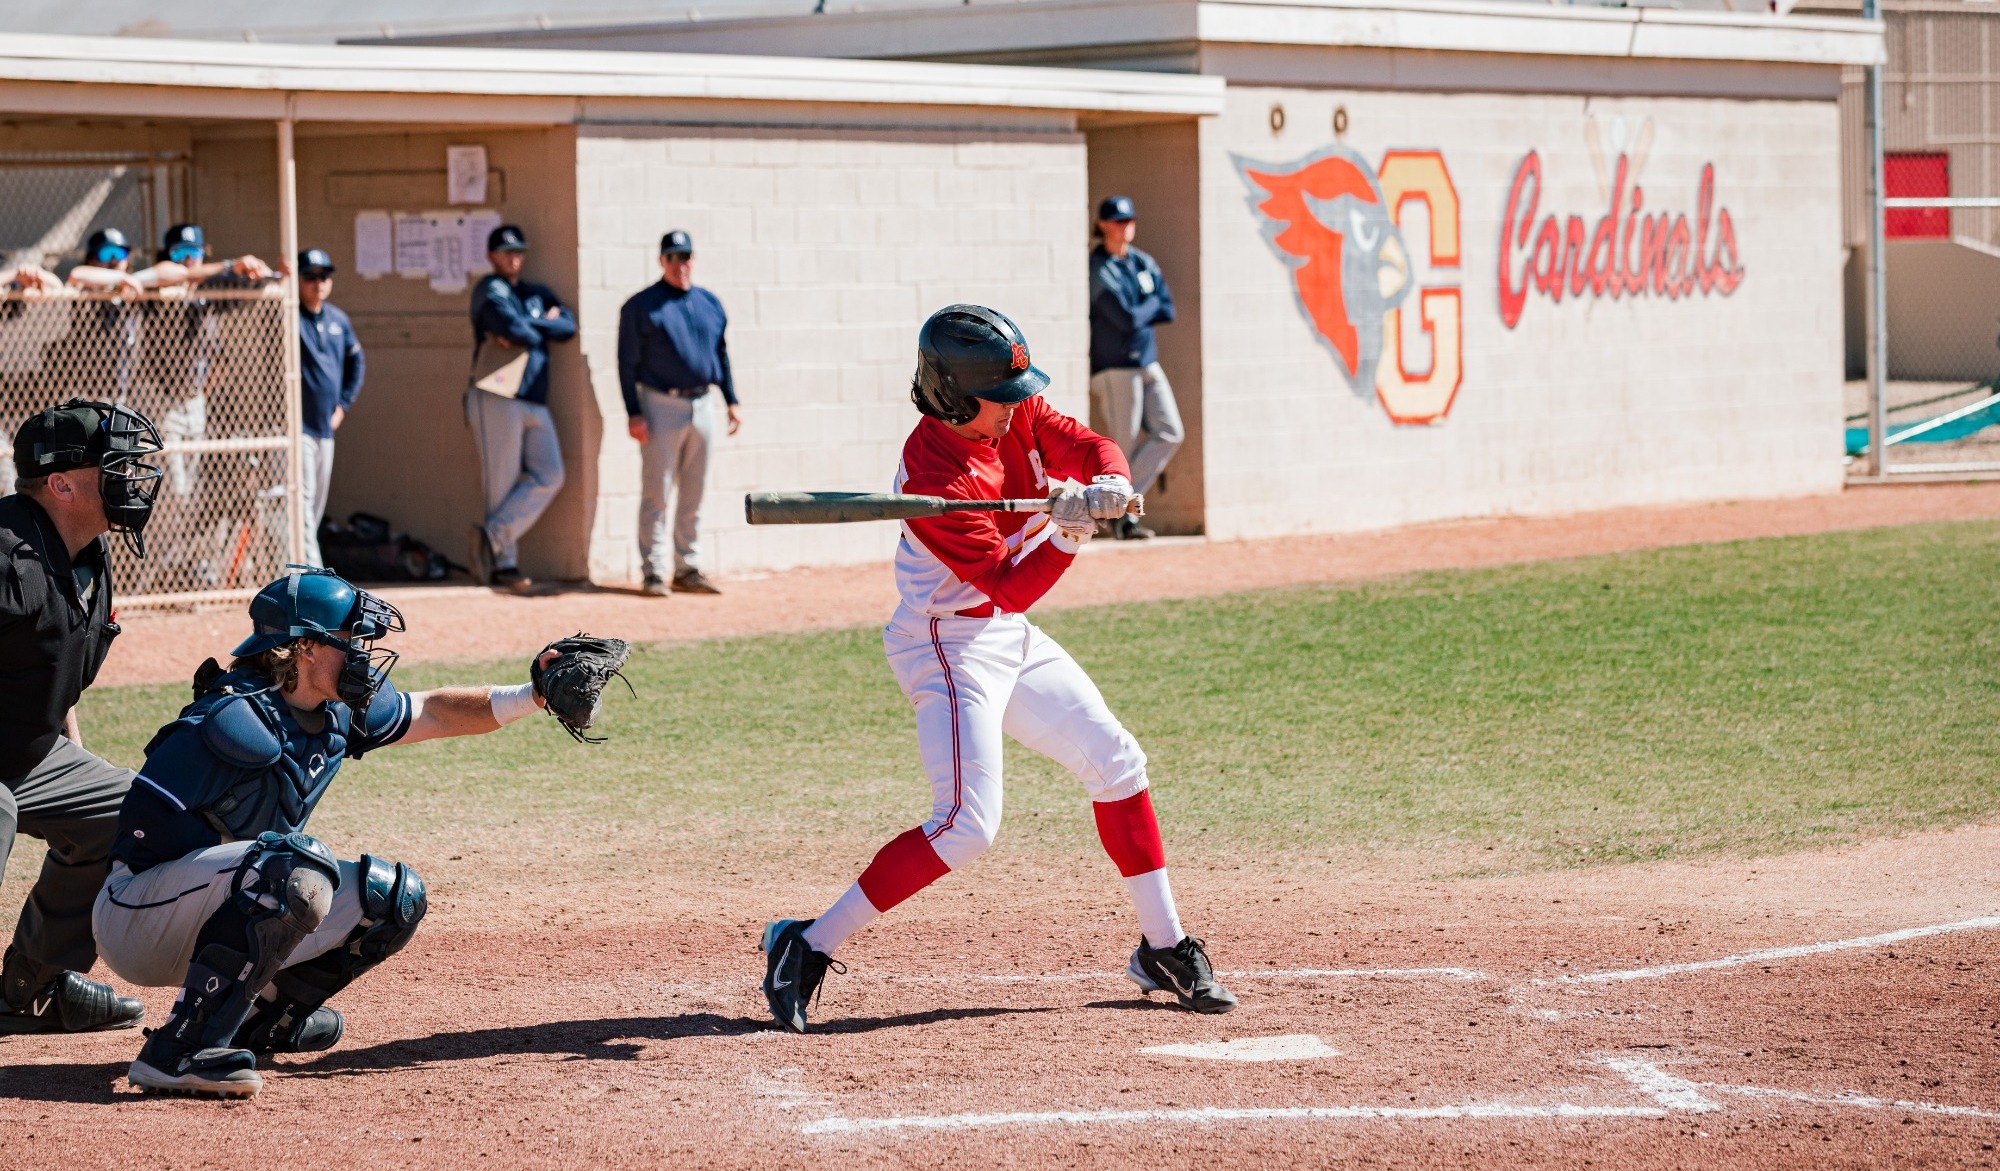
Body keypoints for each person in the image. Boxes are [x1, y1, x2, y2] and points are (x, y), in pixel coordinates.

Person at [757, 304, 1235, 1033]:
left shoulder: (1016, 410)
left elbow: (1089, 442)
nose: (1017, 410)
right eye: (1000, 398)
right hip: (944, 643)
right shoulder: (932, 475)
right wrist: (1070, 536)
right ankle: (806, 942)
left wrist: (1106, 480)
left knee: (1117, 760)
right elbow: (1009, 584)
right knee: (967, 824)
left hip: (1004, 633)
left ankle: (1163, 946)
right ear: (953, 394)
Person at [94, 568, 563, 1097]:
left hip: (230, 900)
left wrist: (534, 694)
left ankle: (257, 1022)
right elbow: (138, 834)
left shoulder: (336, 711)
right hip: (137, 914)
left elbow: (432, 711)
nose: (363, 655)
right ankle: (177, 1052)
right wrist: (236, 877)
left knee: (389, 899)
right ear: (306, 649)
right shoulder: (227, 722)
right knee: (291, 868)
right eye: (349, 640)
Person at [0, 399, 163, 1035]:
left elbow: (50, 663)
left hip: (27, 749)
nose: (133, 478)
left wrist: (75, 752)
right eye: (115, 466)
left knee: (136, 810)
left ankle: (31, 987)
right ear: (62, 484)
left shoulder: (86, 554)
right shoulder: (5, 554)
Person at [617, 230, 741, 597]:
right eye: (673, 257)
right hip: (660, 403)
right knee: (656, 491)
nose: (680, 264)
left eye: (685, 256)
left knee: (694, 491)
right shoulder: (641, 306)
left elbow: (720, 354)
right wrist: (633, 411)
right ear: (661, 261)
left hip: (702, 403)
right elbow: (626, 363)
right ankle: (653, 570)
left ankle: (686, 567)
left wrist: (731, 400)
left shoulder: (708, 302)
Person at [465, 224, 575, 595]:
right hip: (495, 394)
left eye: (518, 251)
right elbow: (512, 326)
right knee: (502, 481)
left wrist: (532, 325)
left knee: (551, 474)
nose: (513, 257)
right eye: (506, 251)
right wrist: (539, 324)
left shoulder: (533, 292)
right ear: (491, 255)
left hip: (533, 398)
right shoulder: (488, 289)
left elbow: (567, 327)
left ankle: (491, 537)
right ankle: (504, 565)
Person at [1087, 195, 1183, 541]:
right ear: (1102, 225)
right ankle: (1118, 517)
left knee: (1171, 431)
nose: (1123, 227)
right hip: (1115, 367)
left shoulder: (1142, 262)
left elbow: (1167, 308)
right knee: (1121, 448)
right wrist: (1150, 305)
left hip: (1146, 362)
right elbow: (1125, 319)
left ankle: (1120, 505)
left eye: (1128, 221)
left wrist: (1148, 306)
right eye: (1116, 221)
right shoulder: (1099, 268)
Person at [295, 247, 365, 569]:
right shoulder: (290, 315)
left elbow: (357, 362)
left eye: (323, 277)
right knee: (304, 501)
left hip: (326, 425)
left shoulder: (338, 319)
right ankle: (313, 570)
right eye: (310, 277)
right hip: (298, 426)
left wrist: (344, 405)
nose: (318, 283)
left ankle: (307, 566)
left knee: (316, 504)